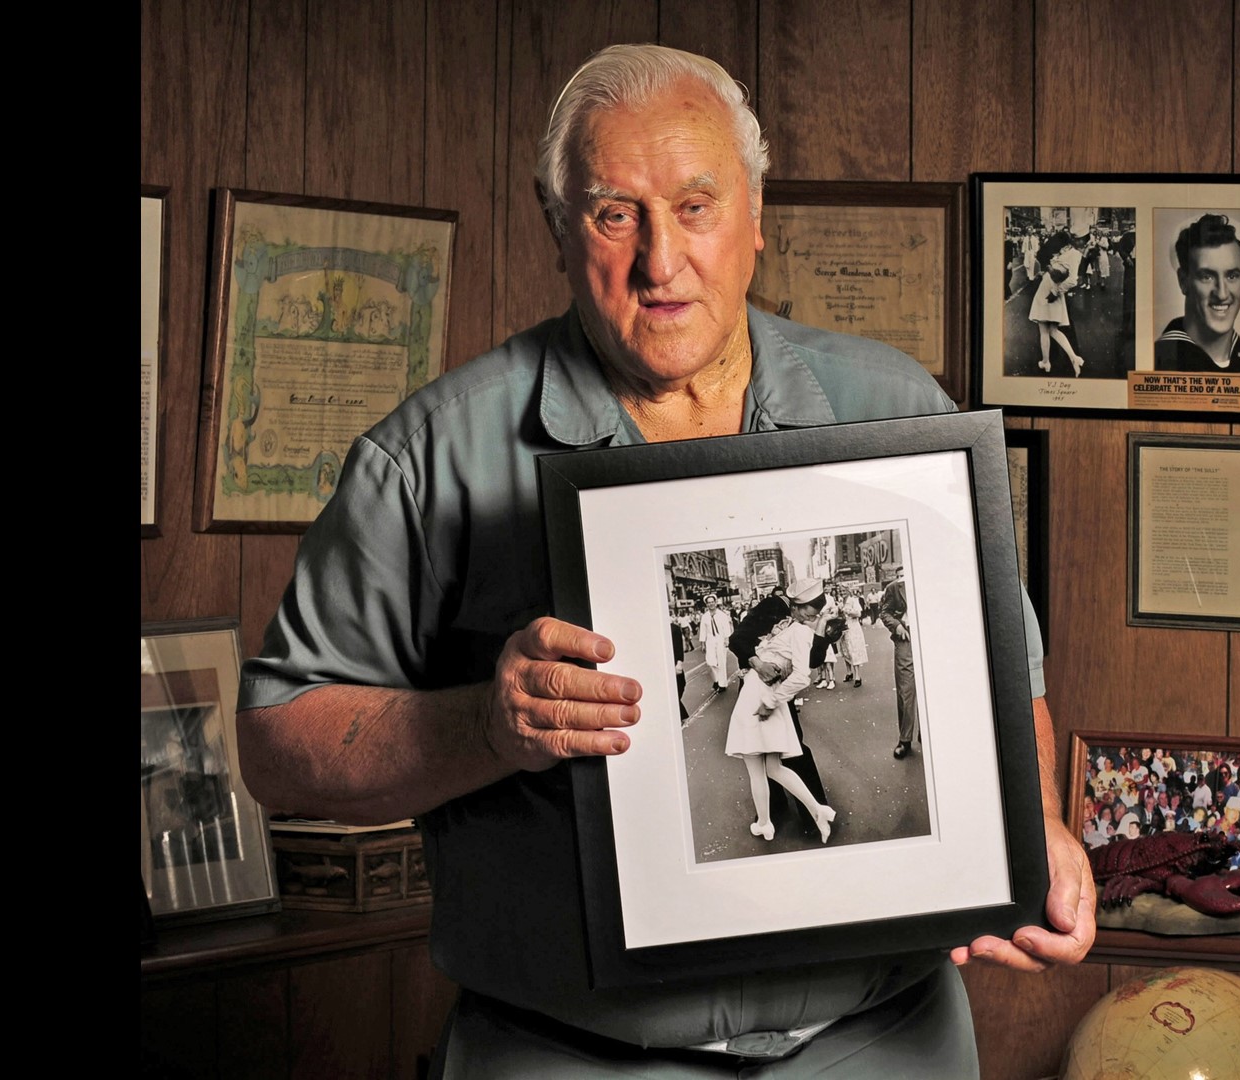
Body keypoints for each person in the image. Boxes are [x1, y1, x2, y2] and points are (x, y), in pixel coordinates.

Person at [233, 43, 1092, 1079]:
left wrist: (1040, 824)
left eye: (695, 206)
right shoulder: (429, 458)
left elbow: (1007, 675)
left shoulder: (897, 409)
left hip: (883, 1043)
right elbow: (276, 746)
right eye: (614, 214)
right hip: (568, 1055)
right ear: (558, 226)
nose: (661, 260)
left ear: (755, 215)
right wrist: (487, 725)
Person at [728, 578, 839, 842]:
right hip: (758, 683)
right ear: (797, 604)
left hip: (778, 690)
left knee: (788, 750)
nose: (810, 617)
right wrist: (758, 664)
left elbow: (812, 661)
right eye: (809, 612)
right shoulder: (773, 606)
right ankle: (775, 811)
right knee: (768, 755)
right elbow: (737, 639)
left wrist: (821, 634)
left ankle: (809, 814)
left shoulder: (807, 624)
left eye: (816, 614)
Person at [1153, 213, 1240, 374]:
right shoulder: (1155, 361)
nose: (1222, 294)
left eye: (1232, 276)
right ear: (1183, 281)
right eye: (1207, 277)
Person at [1029, 229, 1089, 375]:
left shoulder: (1074, 254)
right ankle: (1062, 359)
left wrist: (1055, 292)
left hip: (1049, 291)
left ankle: (1048, 362)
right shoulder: (1067, 252)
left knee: (1045, 330)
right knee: (1052, 331)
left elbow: (1072, 280)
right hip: (1049, 289)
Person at [877, 564, 920, 760]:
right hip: (906, 639)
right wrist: (897, 626)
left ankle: (927, 731)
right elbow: (884, 612)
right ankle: (905, 740)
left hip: (930, 638)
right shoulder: (894, 588)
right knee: (906, 689)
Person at [698, 593, 734, 694]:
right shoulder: (705, 617)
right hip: (710, 640)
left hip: (720, 640)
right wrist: (702, 643)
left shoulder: (722, 615)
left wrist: (727, 639)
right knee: (710, 662)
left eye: (712, 602)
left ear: (716, 602)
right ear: (706, 604)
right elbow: (703, 630)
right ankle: (716, 679)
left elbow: (726, 628)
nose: (711, 604)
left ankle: (722, 684)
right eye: (709, 603)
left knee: (721, 662)